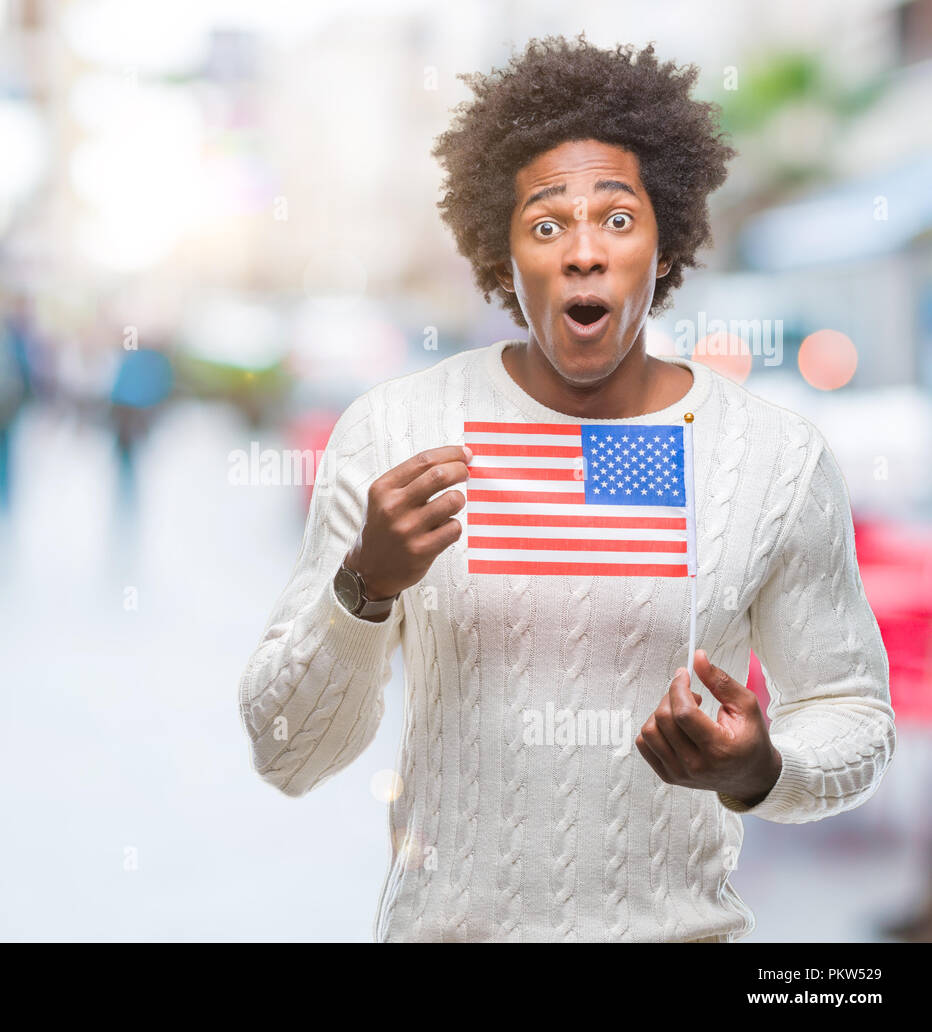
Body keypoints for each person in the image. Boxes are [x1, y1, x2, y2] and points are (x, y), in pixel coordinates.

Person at [236, 34, 896, 942]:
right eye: (546, 225)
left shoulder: (773, 458)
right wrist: (364, 588)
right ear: (500, 258)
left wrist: (759, 769)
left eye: (617, 219)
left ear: (665, 246)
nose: (584, 252)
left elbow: (854, 713)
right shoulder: (395, 433)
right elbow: (288, 752)